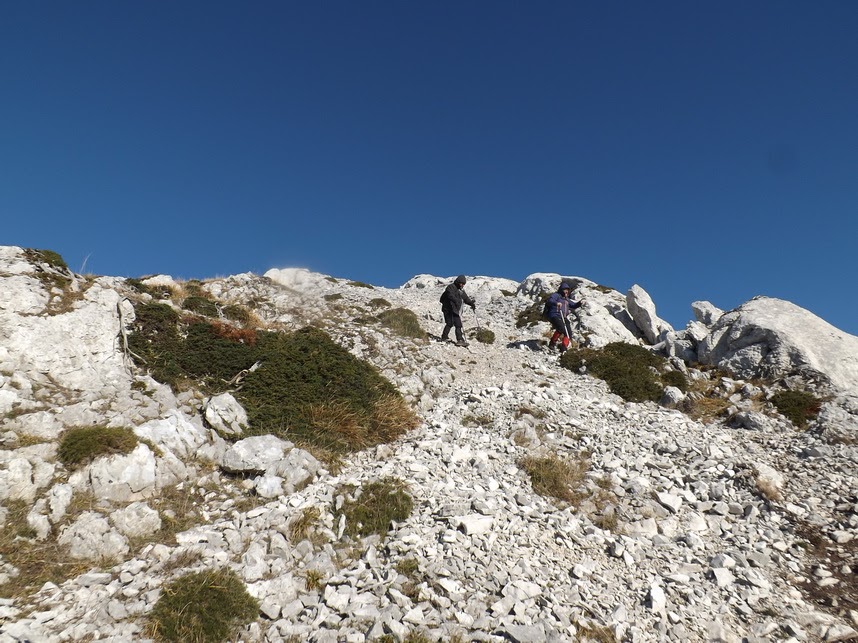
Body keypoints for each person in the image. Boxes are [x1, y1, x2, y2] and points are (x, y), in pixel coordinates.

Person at [545, 282, 583, 353]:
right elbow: (550, 300)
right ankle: (552, 343)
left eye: (567, 290)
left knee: (568, 333)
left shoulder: (567, 299)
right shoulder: (556, 295)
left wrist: (580, 303)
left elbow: (573, 305)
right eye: (565, 289)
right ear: (561, 290)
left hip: (564, 317)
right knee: (561, 328)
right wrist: (556, 303)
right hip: (554, 315)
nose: (566, 291)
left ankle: (564, 348)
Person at [439, 275, 476, 346]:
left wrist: (471, 304)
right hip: (448, 308)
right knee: (449, 323)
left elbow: (466, 298)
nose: (462, 285)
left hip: (455, 309)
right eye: (461, 283)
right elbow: (450, 295)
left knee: (458, 324)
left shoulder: (461, 290)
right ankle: (444, 337)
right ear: (458, 282)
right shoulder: (451, 287)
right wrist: (456, 301)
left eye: (463, 284)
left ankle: (460, 340)